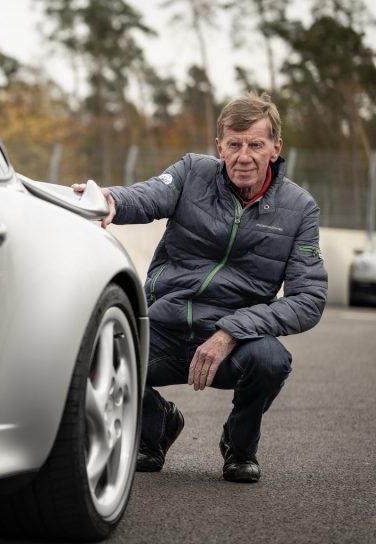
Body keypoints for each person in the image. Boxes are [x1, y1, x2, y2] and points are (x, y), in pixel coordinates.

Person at [73, 92, 327, 483]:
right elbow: (148, 195)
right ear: (219, 146)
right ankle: (156, 424)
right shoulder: (192, 172)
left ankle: (239, 447)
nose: (244, 157)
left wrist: (232, 330)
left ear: (276, 148)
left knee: (271, 360)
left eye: (256, 145)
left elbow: (308, 299)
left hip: (235, 338)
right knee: (94, 350)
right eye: (234, 144)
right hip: (166, 323)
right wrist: (111, 200)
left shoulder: (300, 209)